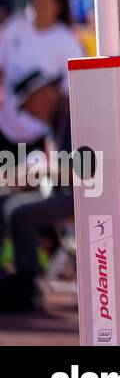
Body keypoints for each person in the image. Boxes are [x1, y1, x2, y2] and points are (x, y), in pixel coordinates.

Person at [0, 67, 73, 311]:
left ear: (43, 95)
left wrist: (38, 171)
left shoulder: (73, 117)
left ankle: (26, 285)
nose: (31, 114)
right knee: (5, 199)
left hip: (84, 196)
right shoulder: (55, 124)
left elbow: (83, 171)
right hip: (60, 191)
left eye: (30, 106)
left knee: (20, 212)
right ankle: (14, 277)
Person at [0, 0, 84, 151]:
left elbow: (74, 94)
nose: (41, 4)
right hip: (4, 129)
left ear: (59, 5)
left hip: (41, 140)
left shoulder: (68, 42)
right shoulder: (15, 27)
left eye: (47, 0)